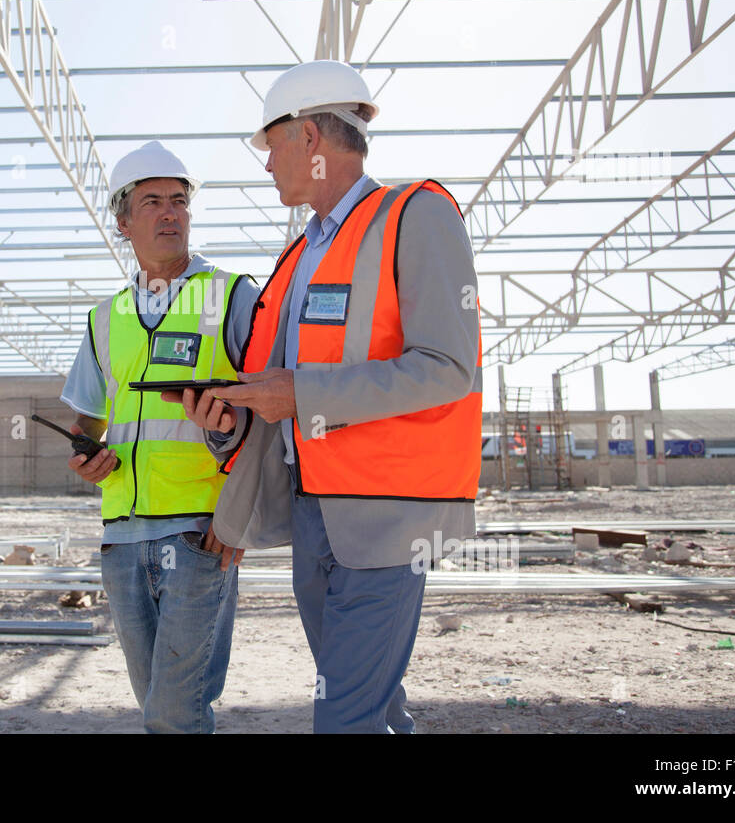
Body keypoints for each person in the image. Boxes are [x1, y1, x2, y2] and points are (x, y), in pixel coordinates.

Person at [183, 60, 483, 734]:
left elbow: (446, 368)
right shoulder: (299, 258)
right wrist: (225, 420)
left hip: (386, 518)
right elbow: (277, 393)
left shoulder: (417, 216)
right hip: (312, 514)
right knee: (370, 709)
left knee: (344, 719)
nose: (267, 166)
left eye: (271, 145)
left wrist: (303, 392)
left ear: (310, 139)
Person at [59, 140, 258, 734]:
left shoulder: (231, 296)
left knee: (174, 712)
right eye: (152, 202)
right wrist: (85, 454)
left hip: (202, 531)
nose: (170, 213)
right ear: (124, 223)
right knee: (160, 707)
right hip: (122, 537)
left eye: (179, 201)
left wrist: (241, 519)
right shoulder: (105, 318)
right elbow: (87, 422)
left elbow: (271, 412)